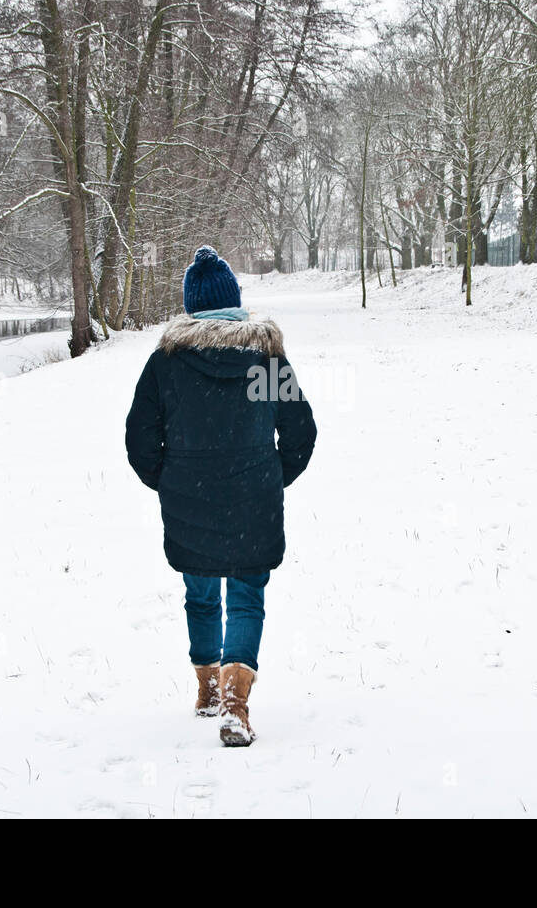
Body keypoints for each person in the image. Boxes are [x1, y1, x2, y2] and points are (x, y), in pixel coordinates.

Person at [125, 245, 317, 746]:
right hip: (254, 500)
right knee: (247, 597)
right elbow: (300, 435)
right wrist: (272, 477)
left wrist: (169, 481)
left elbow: (140, 440)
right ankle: (236, 703)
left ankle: (208, 691)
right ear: (235, 303)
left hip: (191, 501)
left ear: (191, 308)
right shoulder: (264, 363)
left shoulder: (166, 366)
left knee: (201, 594)